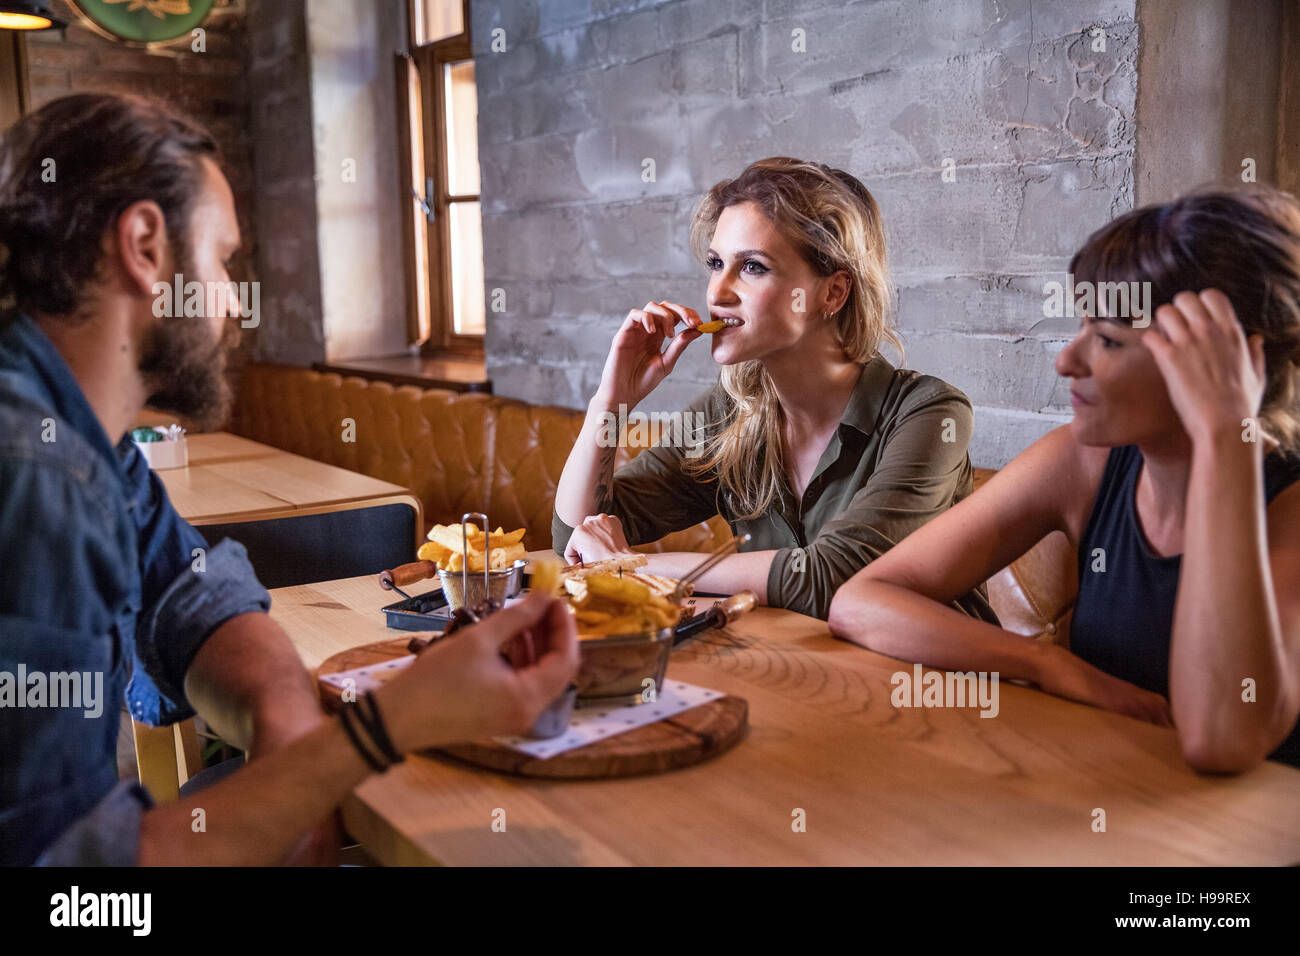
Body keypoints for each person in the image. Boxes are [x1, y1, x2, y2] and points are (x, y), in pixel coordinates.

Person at [0, 92, 578, 865]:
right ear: (144, 246)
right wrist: (382, 728)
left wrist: (290, 741)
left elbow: (191, 594)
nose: (236, 307)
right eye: (224, 259)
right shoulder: (37, 477)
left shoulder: (85, 443)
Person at [828, 187, 1300, 773]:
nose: (1066, 361)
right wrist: (1048, 664)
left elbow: (1219, 738)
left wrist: (1227, 434)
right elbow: (861, 602)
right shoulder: (1084, 461)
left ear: (1221, 362)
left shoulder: (1289, 509)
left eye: (1108, 340)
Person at [553, 157, 992, 622]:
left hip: (931, 682)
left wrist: (629, 569)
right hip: (801, 674)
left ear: (833, 293)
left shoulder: (930, 414)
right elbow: (575, 538)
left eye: (753, 267)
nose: (716, 293)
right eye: (716, 263)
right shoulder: (728, 413)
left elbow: (833, 578)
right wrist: (612, 403)